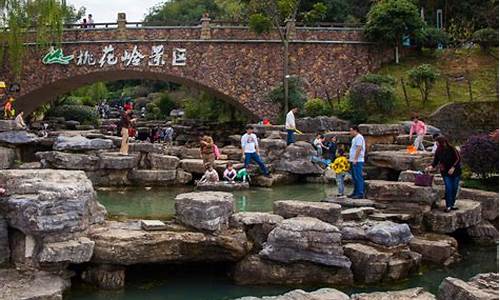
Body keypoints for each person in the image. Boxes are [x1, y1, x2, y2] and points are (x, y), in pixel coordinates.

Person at [426, 136, 461, 212]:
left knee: (454, 188)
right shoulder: (438, 150)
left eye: (437, 142)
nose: (436, 144)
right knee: (448, 188)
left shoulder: (452, 148)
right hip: (445, 172)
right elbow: (436, 161)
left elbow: (458, 159)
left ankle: (452, 204)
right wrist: (431, 166)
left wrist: (453, 167)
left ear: (443, 142)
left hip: (455, 171)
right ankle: (448, 206)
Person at [348, 125, 366, 199]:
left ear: (355, 130)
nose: (350, 132)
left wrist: (355, 159)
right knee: (354, 177)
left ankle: (360, 193)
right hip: (353, 160)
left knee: (358, 177)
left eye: (351, 130)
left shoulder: (359, 137)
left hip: (358, 161)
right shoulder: (354, 138)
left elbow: (359, 148)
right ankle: (355, 192)